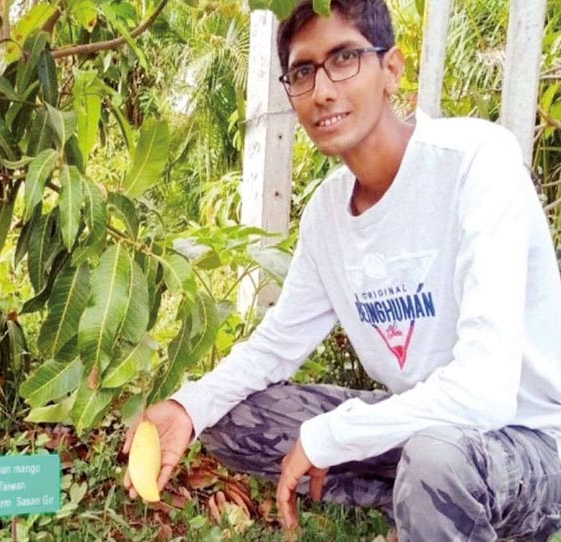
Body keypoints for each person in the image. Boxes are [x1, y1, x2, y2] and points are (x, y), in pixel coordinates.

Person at [123, 0, 561, 540]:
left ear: (392, 69)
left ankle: (435, 500)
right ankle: (418, 505)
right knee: (234, 418)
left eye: (344, 58)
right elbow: (275, 345)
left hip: (528, 441)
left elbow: (485, 390)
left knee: (436, 460)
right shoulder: (328, 213)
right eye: (304, 71)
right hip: (422, 426)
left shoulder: (476, 161)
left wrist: (333, 435)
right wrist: (187, 408)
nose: (323, 90)